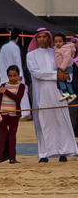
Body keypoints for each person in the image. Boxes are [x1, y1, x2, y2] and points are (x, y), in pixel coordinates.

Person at [26, 28, 78, 162]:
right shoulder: (31, 55)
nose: (42, 39)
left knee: (61, 121)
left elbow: (68, 67)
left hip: (58, 92)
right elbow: (36, 73)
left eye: (45, 37)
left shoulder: (56, 51)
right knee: (44, 122)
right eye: (40, 37)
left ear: (49, 39)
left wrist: (67, 76)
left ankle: (64, 152)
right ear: (36, 39)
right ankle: (44, 154)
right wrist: (55, 75)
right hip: (42, 94)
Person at [0, 65, 26, 164]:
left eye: (14, 75)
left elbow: (18, 98)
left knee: (12, 136)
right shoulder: (3, 85)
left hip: (14, 116)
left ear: (18, 75)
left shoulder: (21, 86)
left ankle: (12, 158)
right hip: (3, 115)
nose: (12, 78)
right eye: (10, 76)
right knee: (1, 137)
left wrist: (6, 91)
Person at [0, 29, 31, 119]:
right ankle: (24, 113)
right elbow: (17, 62)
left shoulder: (3, 47)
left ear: (10, 37)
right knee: (20, 92)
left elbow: (1, 63)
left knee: (7, 95)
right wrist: (20, 75)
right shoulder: (15, 47)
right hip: (14, 74)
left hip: (5, 74)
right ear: (17, 39)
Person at [53, 33, 76, 102]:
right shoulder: (58, 48)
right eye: (56, 42)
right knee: (68, 82)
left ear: (64, 42)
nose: (58, 43)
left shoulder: (65, 49)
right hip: (66, 66)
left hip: (64, 67)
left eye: (60, 41)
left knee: (60, 79)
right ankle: (72, 94)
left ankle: (65, 93)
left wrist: (62, 68)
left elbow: (67, 59)